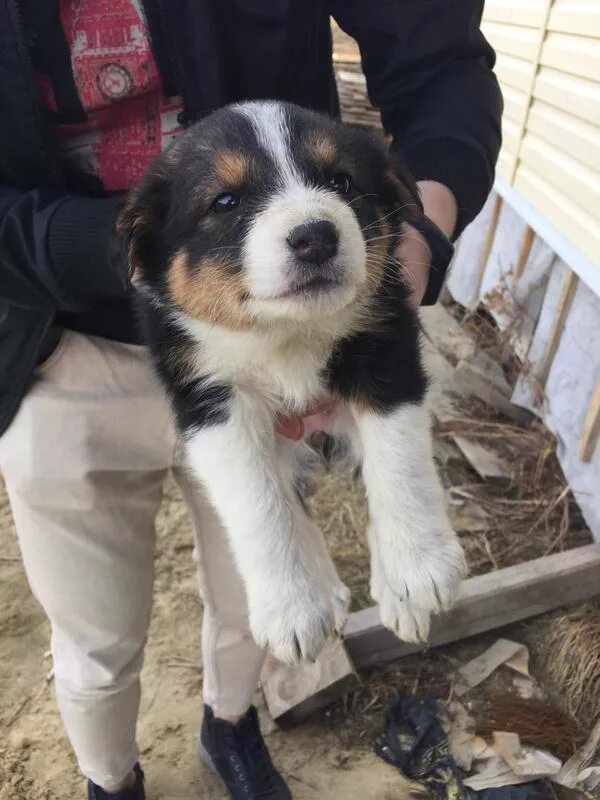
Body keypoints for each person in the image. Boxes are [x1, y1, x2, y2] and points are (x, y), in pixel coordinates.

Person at [0, 2, 502, 798]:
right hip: (54, 344)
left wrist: (423, 229)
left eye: (335, 183)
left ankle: (229, 726)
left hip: (298, 337)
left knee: (265, 600)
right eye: (234, 199)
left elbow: (442, 58)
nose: (312, 216)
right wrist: (136, 252)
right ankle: (109, 775)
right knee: (94, 635)